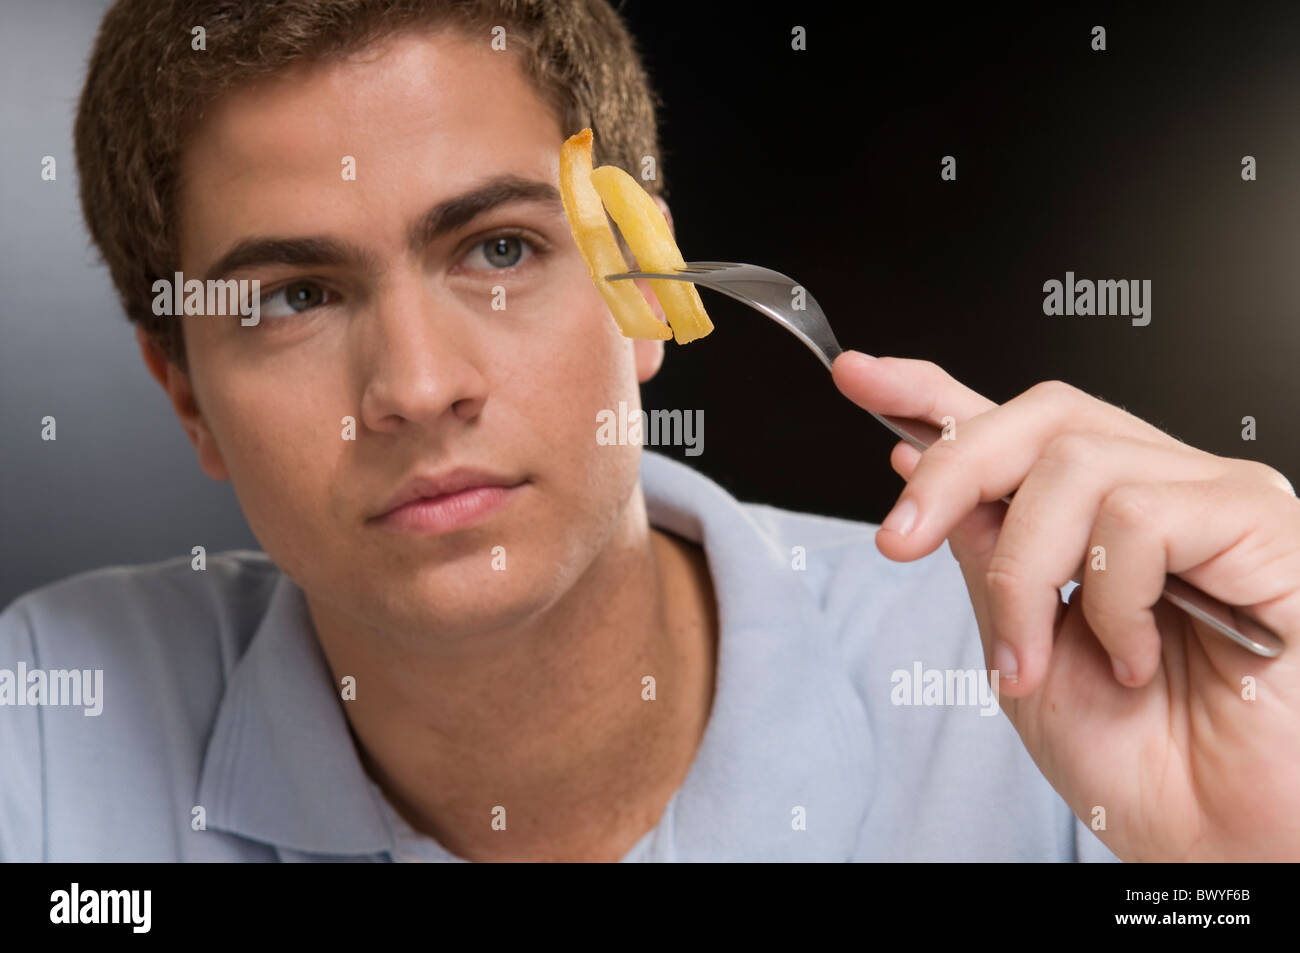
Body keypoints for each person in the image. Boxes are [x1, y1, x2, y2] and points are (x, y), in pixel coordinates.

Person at [2, 0, 1296, 862]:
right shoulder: (48, 735)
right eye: (293, 296)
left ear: (647, 281)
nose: (415, 382)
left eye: (498, 248)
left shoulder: (1051, 680)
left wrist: (1254, 851)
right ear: (185, 395)